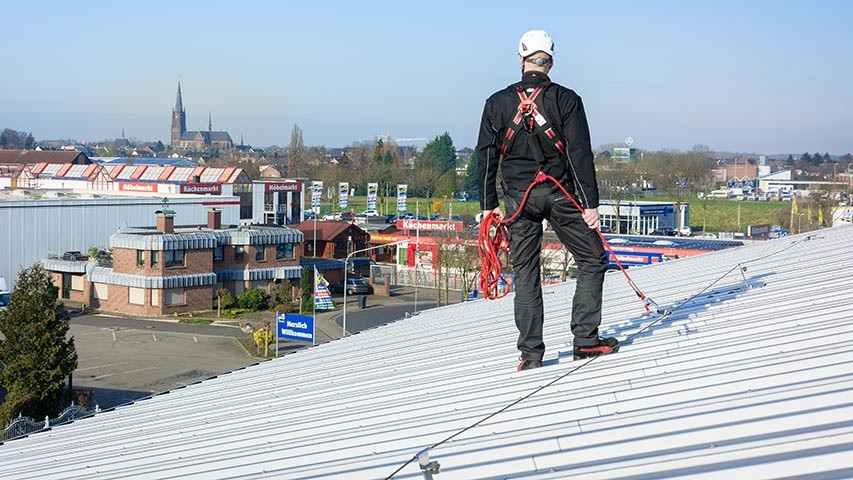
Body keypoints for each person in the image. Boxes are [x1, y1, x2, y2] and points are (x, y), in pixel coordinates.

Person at [476, 30, 618, 370]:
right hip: (559, 194)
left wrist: (488, 204)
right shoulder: (566, 100)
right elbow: (580, 154)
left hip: (518, 201)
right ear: (550, 62)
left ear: (521, 60)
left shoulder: (496, 103)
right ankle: (585, 341)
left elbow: (486, 156)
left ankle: (531, 355)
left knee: (526, 272)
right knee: (592, 259)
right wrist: (590, 204)